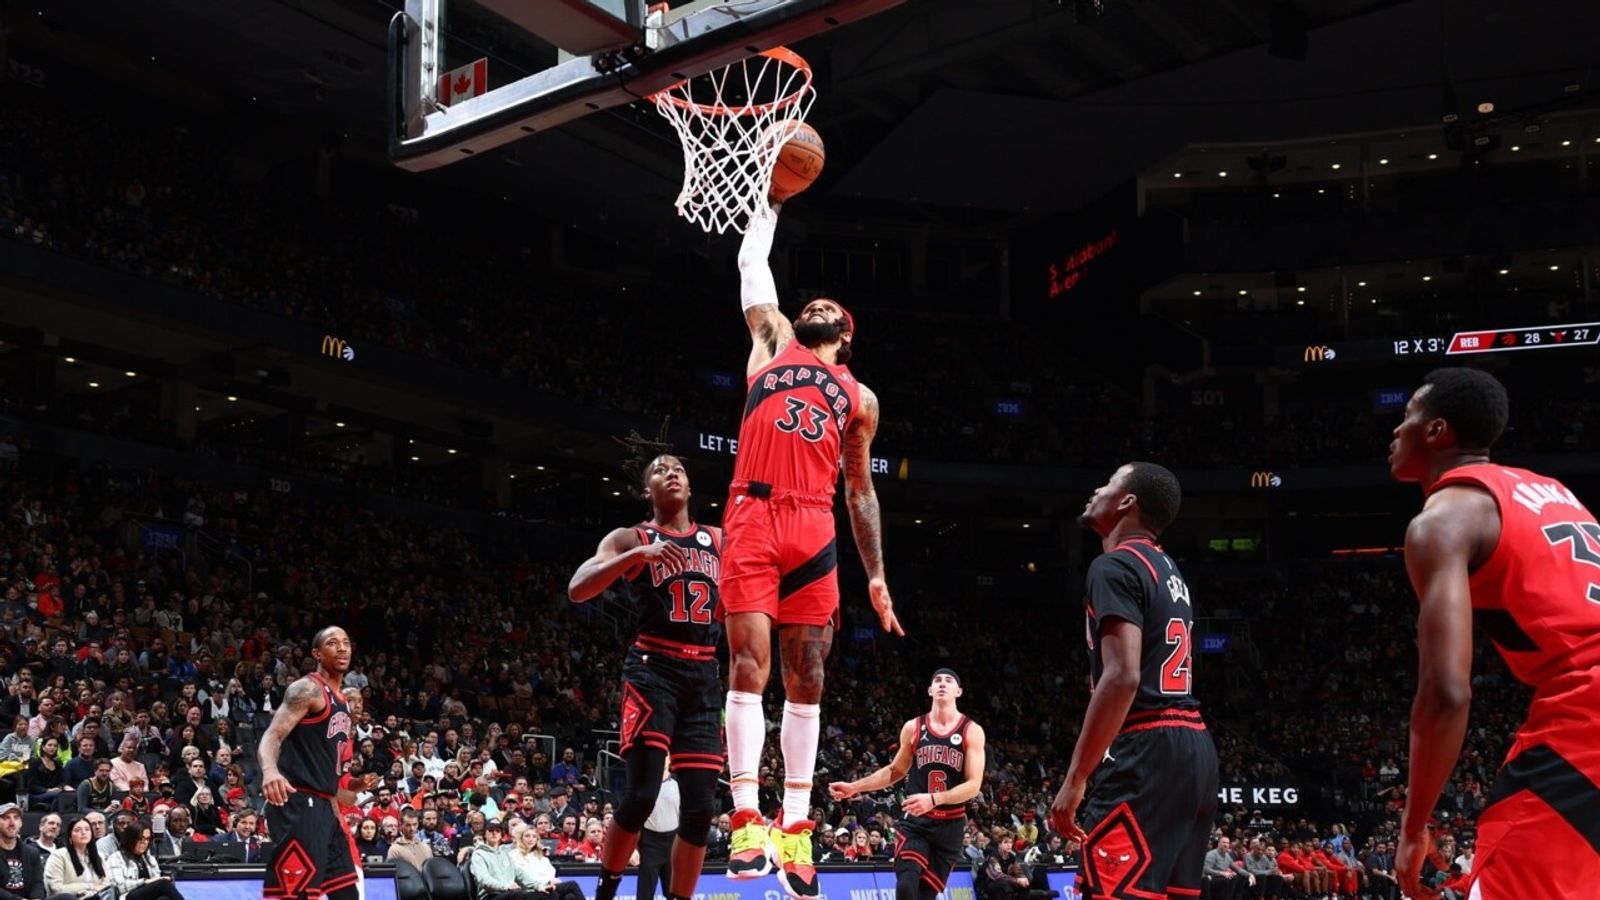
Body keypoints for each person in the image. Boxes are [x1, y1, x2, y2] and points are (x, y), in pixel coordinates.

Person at [722, 201, 901, 900]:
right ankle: (745, 818)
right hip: (754, 512)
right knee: (747, 662)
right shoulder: (771, 341)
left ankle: (793, 827)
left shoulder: (861, 398)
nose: (815, 305)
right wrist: (768, 201)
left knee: (808, 676)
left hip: (815, 527)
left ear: (846, 336)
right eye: (812, 301)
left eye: (830, 305)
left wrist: (878, 575)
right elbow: (749, 264)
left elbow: (860, 492)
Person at [1389, 368, 1600, 899]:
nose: (1396, 430)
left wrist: (1413, 828)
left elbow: (1446, 692)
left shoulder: (1443, 521)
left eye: (1406, 417)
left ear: (1436, 431)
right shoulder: (1552, 490)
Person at [1049, 462, 1219, 900]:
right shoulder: (1168, 568)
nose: (1096, 489)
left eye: (1107, 483)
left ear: (1127, 501)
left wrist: (1075, 777)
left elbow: (1122, 676)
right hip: (1194, 748)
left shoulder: (1115, 565)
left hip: (1147, 749)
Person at [567, 439, 724, 900]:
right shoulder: (630, 536)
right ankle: (607, 888)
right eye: (660, 470)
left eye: (677, 468)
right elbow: (578, 589)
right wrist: (634, 559)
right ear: (646, 490)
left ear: (690, 484)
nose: (670, 473)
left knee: (699, 809)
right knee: (641, 795)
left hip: (704, 675)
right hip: (654, 669)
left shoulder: (719, 539)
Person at [829, 670, 986, 900]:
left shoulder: (971, 731)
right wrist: (855, 787)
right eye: (937, 681)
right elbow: (895, 771)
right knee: (905, 886)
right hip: (916, 821)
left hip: (950, 826)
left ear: (958, 691)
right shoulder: (914, 727)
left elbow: (974, 785)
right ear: (930, 690)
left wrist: (934, 799)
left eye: (949, 681)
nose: (942, 684)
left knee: (923, 895)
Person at [257, 627, 357, 900]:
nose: (342, 648)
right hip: (300, 802)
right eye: (333, 643)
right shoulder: (307, 689)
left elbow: (329, 766)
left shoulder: (344, 702)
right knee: (295, 894)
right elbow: (272, 735)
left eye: (346, 643)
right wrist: (269, 771)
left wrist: (340, 801)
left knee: (347, 892)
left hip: (326, 806)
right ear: (316, 653)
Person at [635, 761, 679, 900]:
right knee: (645, 894)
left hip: (674, 842)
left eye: (666, 754)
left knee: (675, 893)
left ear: (670, 758)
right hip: (650, 843)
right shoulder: (642, 783)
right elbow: (633, 818)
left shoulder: (679, 783)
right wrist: (632, 848)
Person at [105, 823, 183, 900]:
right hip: (128, 896)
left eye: (147, 839)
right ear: (130, 839)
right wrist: (145, 881)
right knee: (164, 883)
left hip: (148, 897)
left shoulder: (149, 858)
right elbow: (119, 887)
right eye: (140, 839)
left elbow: (156, 883)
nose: (145, 843)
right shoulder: (115, 858)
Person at [43, 817, 111, 898]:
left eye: (87, 829)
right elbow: (57, 889)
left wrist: (90, 892)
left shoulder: (99, 856)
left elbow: (107, 884)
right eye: (78, 830)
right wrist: (90, 886)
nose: (83, 832)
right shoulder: (58, 856)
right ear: (70, 836)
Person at [509, 828, 583, 900]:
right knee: (572, 885)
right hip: (530, 889)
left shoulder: (539, 856)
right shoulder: (515, 855)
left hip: (547, 885)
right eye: (527, 836)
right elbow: (525, 876)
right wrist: (547, 881)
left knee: (570, 897)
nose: (531, 839)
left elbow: (550, 871)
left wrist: (550, 880)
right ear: (521, 838)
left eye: (534, 836)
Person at [466, 822, 533, 900]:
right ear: (485, 834)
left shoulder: (506, 854)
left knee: (539, 895)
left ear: (501, 836)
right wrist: (505, 886)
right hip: (490, 895)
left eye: (498, 831)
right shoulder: (478, 854)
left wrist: (540, 885)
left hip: (509, 893)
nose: (494, 833)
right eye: (491, 830)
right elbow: (483, 879)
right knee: (518, 895)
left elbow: (520, 875)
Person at [0, 802, 45, 900]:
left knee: (66, 897)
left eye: (16, 818)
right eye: (6, 818)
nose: (12, 823)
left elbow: (37, 882)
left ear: (21, 823)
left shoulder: (32, 852)